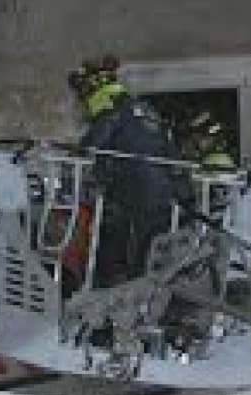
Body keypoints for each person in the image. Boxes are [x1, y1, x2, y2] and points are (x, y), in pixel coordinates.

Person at [68, 55, 185, 285]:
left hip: (131, 193)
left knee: (113, 240)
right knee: (149, 250)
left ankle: (113, 284)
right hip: (163, 195)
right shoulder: (144, 109)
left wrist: (79, 152)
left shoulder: (108, 106)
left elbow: (94, 143)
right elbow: (169, 150)